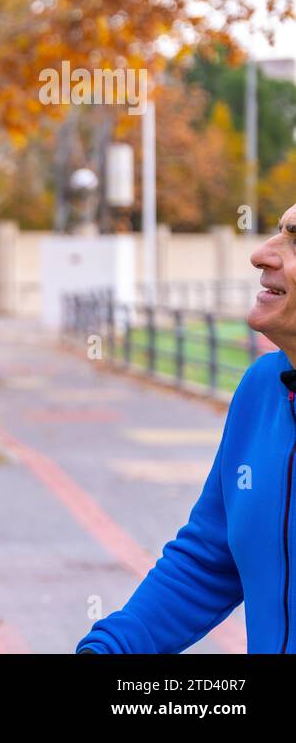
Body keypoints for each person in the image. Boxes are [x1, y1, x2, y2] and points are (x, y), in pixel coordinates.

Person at [78, 207, 296, 653]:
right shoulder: (261, 389)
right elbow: (209, 562)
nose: (261, 255)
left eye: (295, 240)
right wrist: (109, 649)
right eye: (277, 233)